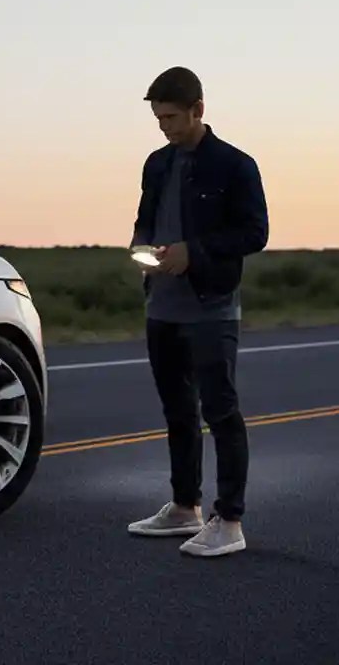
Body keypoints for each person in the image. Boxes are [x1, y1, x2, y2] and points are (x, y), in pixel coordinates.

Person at [125, 66, 269, 557]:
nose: (164, 126)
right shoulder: (156, 164)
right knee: (177, 412)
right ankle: (184, 507)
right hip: (162, 307)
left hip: (211, 308)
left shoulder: (235, 165)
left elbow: (255, 234)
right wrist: (140, 247)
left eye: (170, 117)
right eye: (158, 118)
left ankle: (229, 520)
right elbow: (145, 217)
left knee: (221, 412)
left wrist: (195, 251)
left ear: (198, 110)